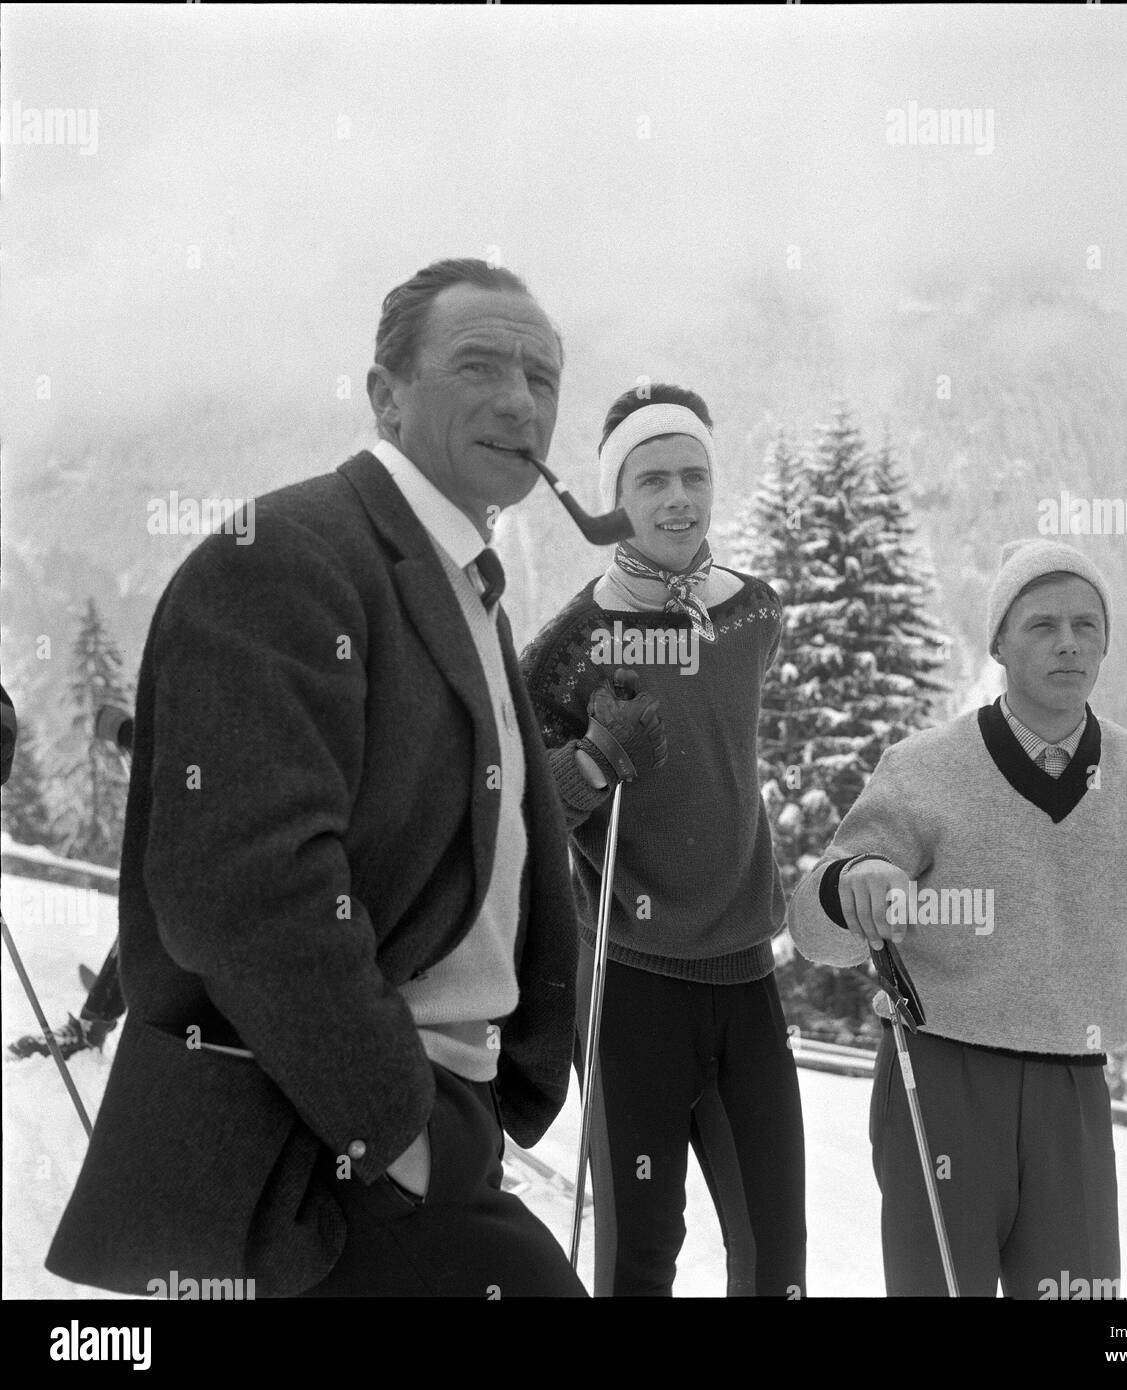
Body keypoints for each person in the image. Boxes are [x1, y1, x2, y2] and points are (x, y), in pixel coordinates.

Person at [47, 257, 587, 1298]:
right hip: (316, 1152)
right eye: (478, 363)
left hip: (424, 1122)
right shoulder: (290, 555)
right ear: (383, 393)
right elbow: (245, 885)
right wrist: (397, 1130)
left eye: (543, 375)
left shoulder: (467, 589)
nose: (520, 398)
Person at [788, 538, 1127, 1297]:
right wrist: (852, 881)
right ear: (998, 644)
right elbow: (816, 931)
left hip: (1073, 1094)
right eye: (1043, 625)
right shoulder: (922, 769)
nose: (1068, 644)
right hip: (937, 1078)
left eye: (1087, 625)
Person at [521, 385, 807, 1297]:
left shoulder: (753, 613)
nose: (679, 497)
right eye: (652, 481)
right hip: (629, 978)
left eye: (694, 475)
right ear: (615, 505)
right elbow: (519, 817)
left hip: (748, 974)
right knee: (643, 1248)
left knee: (776, 1252)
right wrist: (597, 763)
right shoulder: (573, 645)